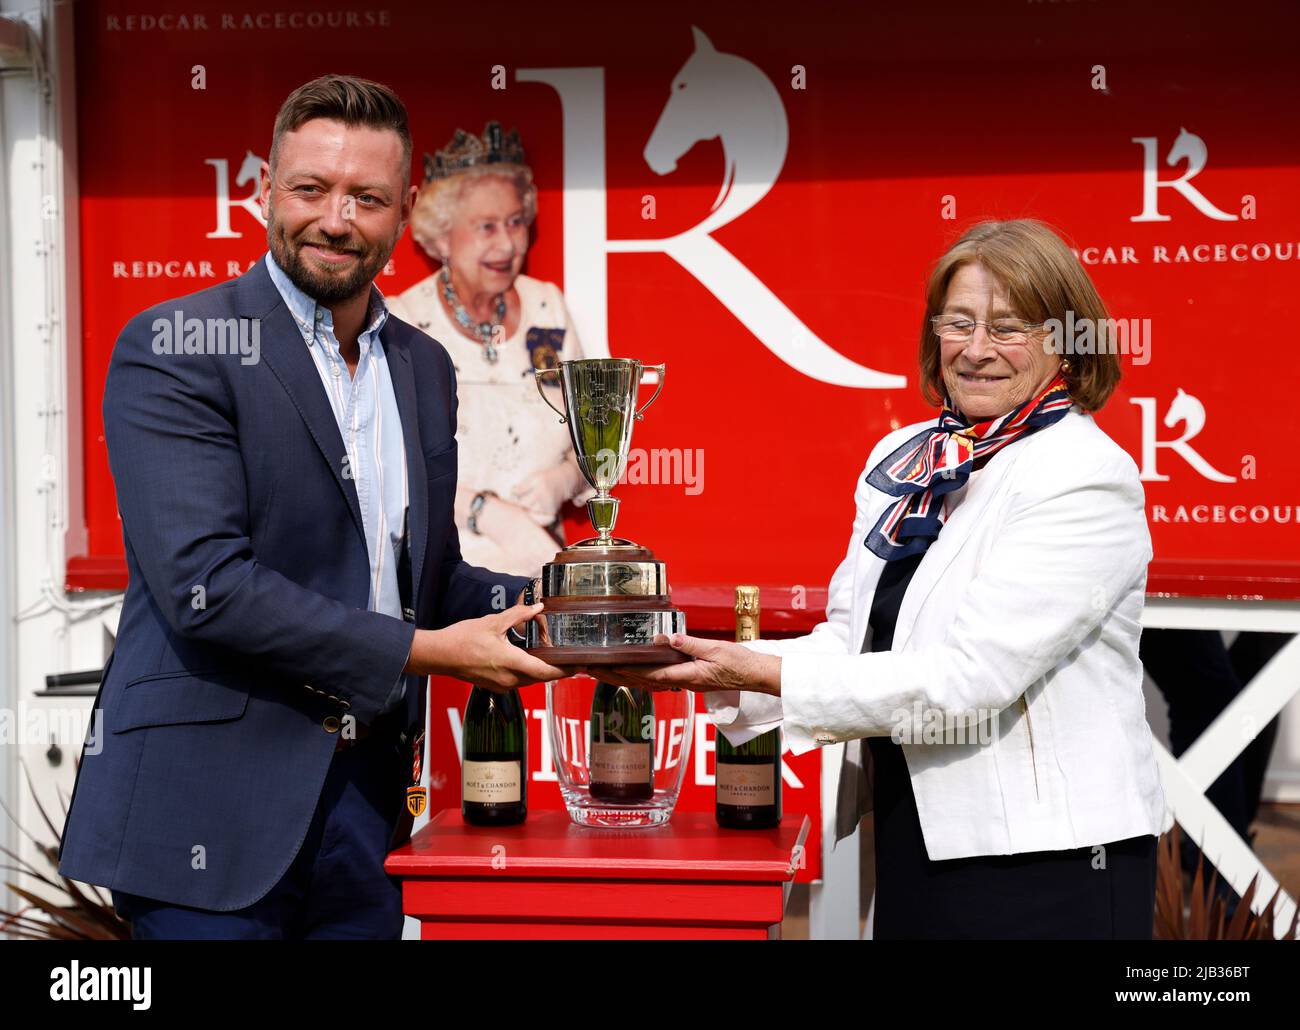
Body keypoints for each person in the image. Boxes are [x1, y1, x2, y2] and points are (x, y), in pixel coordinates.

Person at [56, 75, 564, 940]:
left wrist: (558, 609)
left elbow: (423, 576)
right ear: (264, 192)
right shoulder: (177, 347)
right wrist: (426, 651)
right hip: (206, 820)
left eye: (366, 197)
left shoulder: (422, 366)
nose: (336, 219)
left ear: (404, 209)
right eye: (311, 189)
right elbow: (206, 584)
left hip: (364, 814)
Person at [598, 219, 1173, 940]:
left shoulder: (1083, 474)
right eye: (958, 322)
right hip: (917, 835)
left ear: (1065, 341)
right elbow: (853, 638)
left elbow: (972, 679)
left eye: (1009, 326)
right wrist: (710, 666)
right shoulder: (908, 455)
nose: (976, 348)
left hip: (1045, 864)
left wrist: (770, 672)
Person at [387, 122, 592, 577]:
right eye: (486, 227)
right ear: (441, 236)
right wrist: (484, 513)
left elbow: (594, 436)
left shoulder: (546, 309)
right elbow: (389, 460)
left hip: (542, 568)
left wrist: (563, 480)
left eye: (517, 222)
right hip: (443, 573)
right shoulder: (404, 323)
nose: (507, 243)